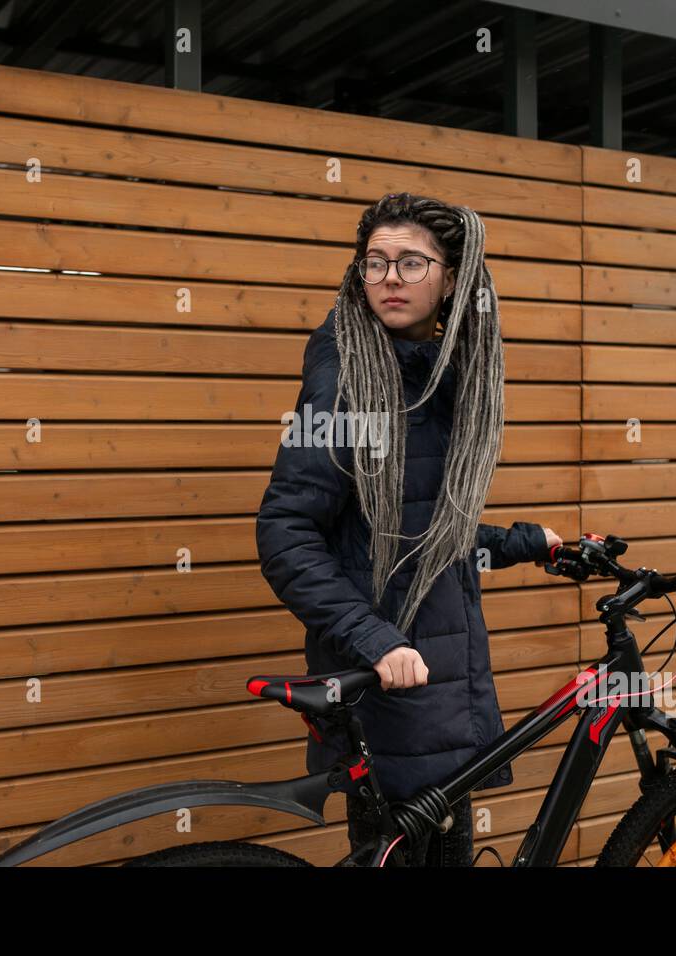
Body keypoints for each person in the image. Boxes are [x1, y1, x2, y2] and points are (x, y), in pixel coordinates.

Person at [255, 192, 562, 866]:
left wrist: (517, 543)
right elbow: (285, 531)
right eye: (376, 263)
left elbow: (415, 527)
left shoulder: (440, 374)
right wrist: (377, 640)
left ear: (452, 280)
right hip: (390, 689)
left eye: (411, 264)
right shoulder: (348, 381)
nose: (390, 278)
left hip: (440, 683)